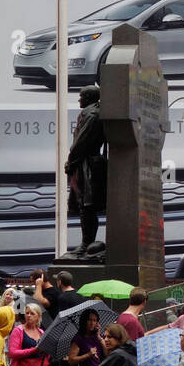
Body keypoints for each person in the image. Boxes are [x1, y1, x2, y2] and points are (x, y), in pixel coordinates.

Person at [64, 85, 108, 256]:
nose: (79, 99)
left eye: (81, 96)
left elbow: (81, 142)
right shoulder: (94, 112)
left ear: (89, 97)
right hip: (86, 163)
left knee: (86, 206)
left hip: (86, 165)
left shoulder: (91, 114)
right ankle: (87, 241)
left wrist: (71, 161)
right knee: (85, 206)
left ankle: (86, 242)